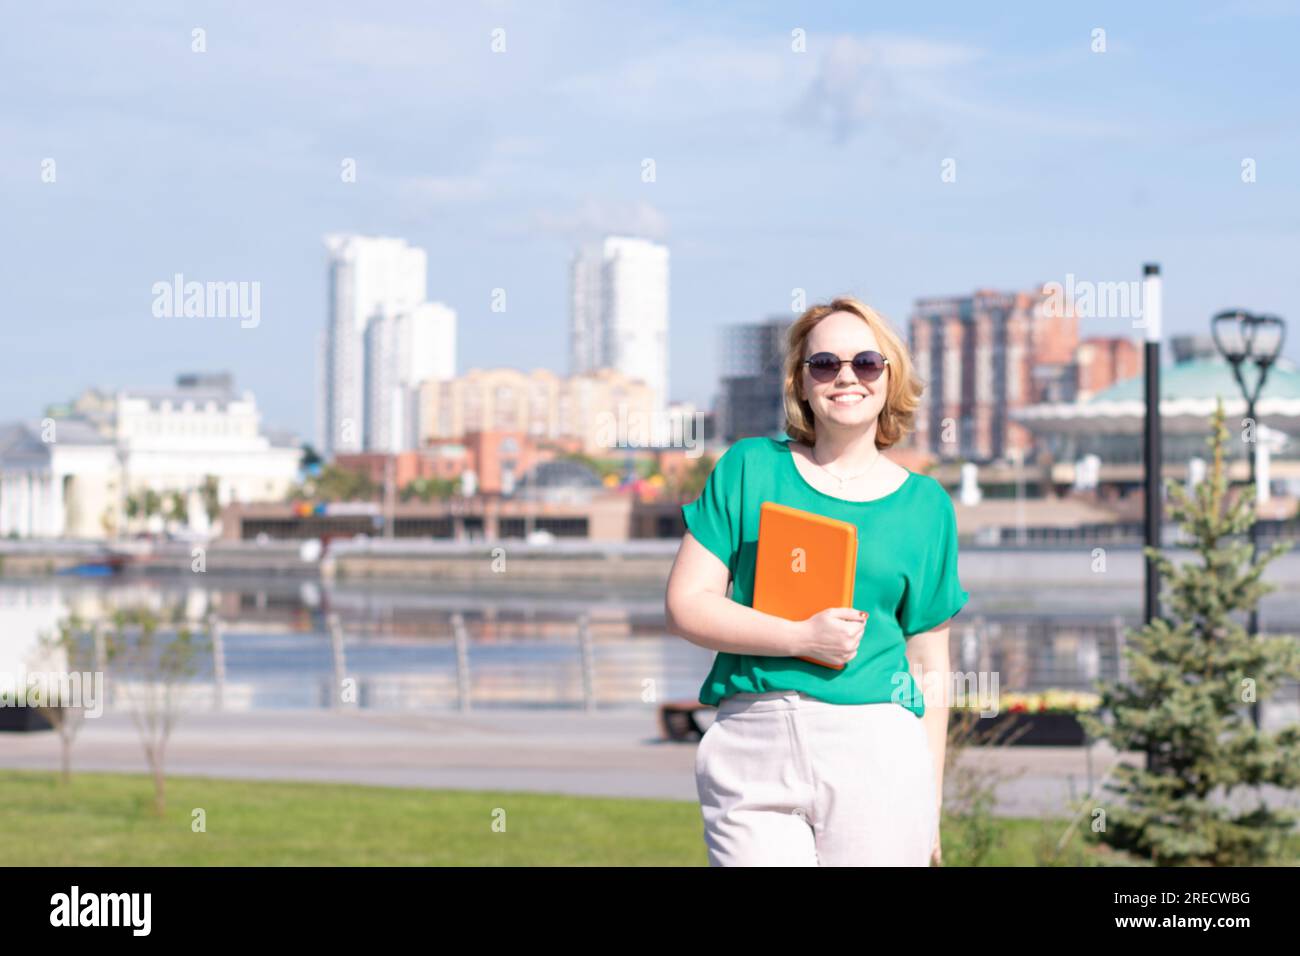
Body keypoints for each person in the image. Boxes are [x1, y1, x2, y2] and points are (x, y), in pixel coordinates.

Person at [665, 296, 969, 866]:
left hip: (877, 751)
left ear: (890, 376)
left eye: (866, 363)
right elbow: (686, 604)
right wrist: (801, 638)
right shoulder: (750, 467)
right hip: (751, 746)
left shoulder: (926, 506)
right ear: (801, 383)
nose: (845, 377)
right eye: (824, 364)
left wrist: (929, 805)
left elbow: (930, 665)